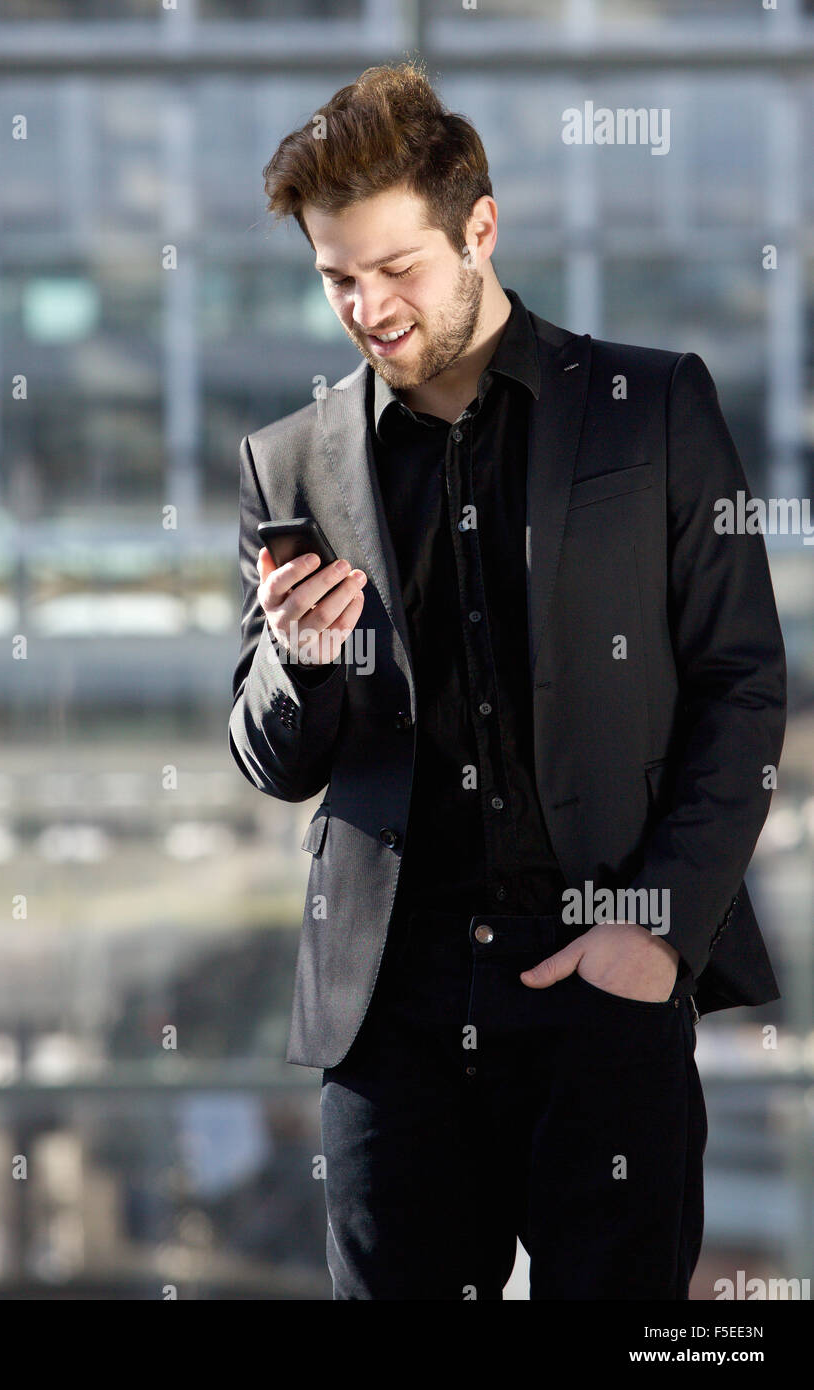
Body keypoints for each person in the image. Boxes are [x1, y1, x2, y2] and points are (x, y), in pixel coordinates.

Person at [228, 61, 787, 1299]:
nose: (366, 307)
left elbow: (741, 688)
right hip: (390, 1013)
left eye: (395, 268)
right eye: (335, 278)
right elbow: (274, 756)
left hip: (602, 963)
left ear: (479, 228)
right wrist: (295, 659)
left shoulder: (650, 407)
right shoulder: (292, 463)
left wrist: (656, 935)